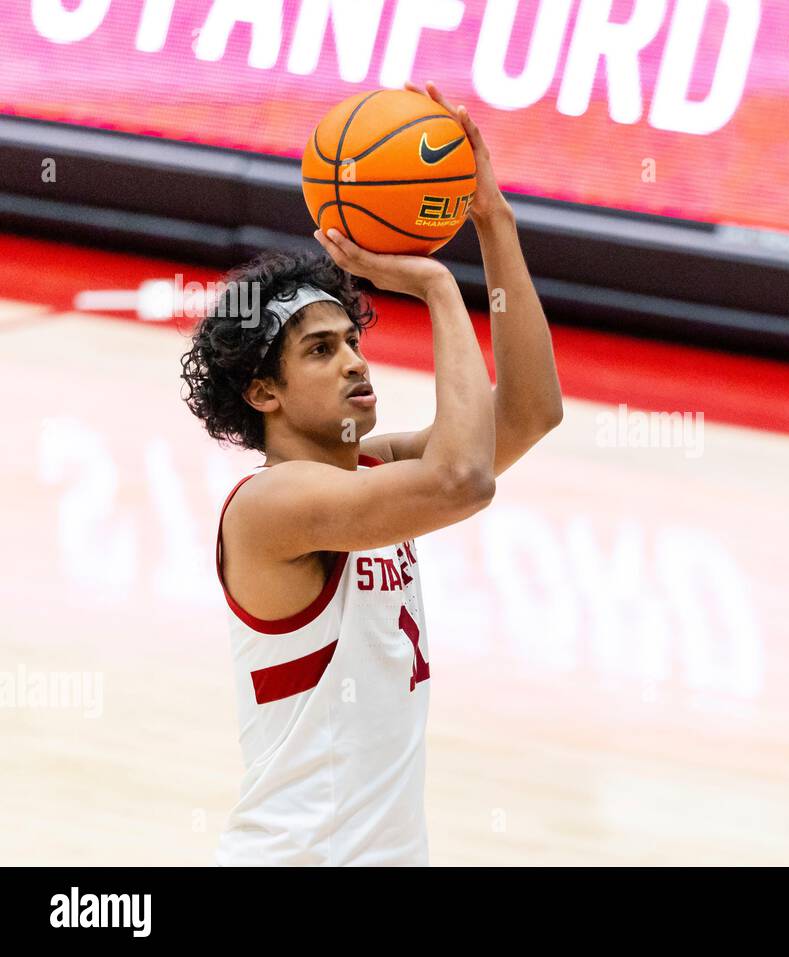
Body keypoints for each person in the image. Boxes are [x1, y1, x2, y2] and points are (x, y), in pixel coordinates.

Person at [180, 82, 564, 863]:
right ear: (264, 392)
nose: (355, 358)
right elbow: (463, 478)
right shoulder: (272, 506)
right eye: (321, 350)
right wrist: (435, 286)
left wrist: (494, 223)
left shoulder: (370, 469)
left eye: (352, 337)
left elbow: (531, 412)